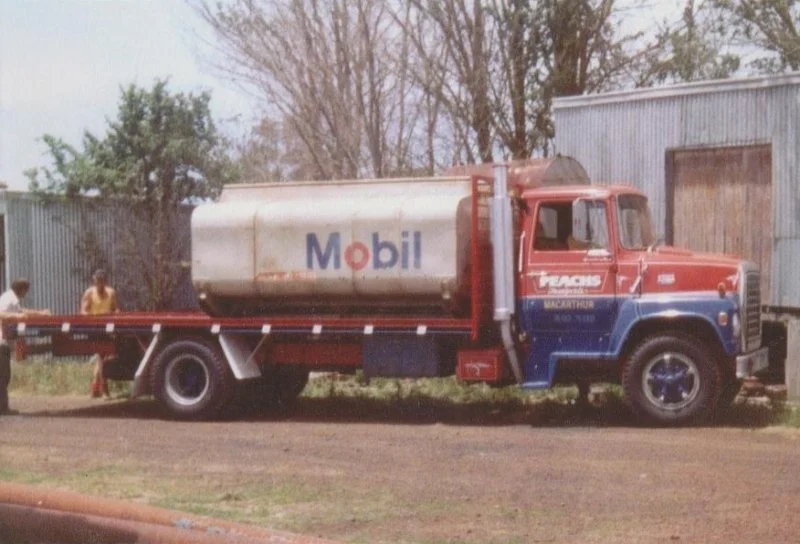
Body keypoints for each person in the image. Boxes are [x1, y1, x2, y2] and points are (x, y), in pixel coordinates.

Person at [0, 278, 51, 415]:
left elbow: (22, 311)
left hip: (5, 343)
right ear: (22, 289)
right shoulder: (7, 299)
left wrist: (40, 314)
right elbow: (1, 313)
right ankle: (2, 408)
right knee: (3, 376)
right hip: (1, 342)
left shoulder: (11, 299)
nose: (26, 294)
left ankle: (2, 407)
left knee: (4, 376)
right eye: (26, 291)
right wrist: (18, 317)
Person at [81, 269, 119, 399]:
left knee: (102, 359)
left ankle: (94, 388)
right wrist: (94, 319)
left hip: (107, 328)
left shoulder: (111, 292)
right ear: (94, 281)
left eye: (102, 281)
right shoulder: (89, 293)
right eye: (98, 281)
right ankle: (104, 390)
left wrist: (117, 316)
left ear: (105, 281)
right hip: (94, 329)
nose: (100, 284)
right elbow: (84, 311)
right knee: (101, 358)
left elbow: (115, 308)